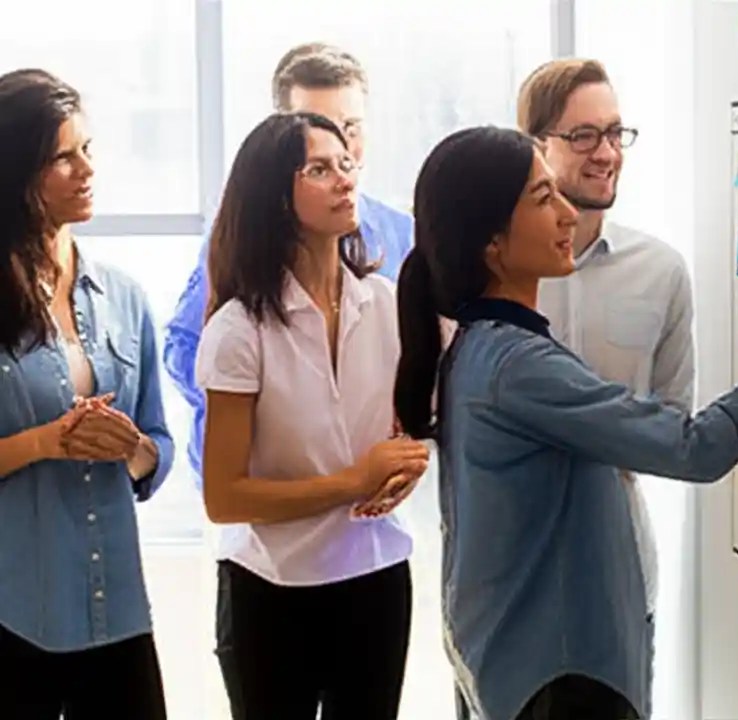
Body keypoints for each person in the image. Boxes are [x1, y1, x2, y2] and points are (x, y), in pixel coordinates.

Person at [393, 126, 738, 720]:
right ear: (493, 243)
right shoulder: (518, 367)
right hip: (558, 681)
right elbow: (700, 447)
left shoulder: (483, 347)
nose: (569, 214)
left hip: (526, 666)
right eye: (543, 199)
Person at [194, 111, 428, 719]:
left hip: (377, 579)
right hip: (270, 593)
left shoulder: (385, 304)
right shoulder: (238, 330)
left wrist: (411, 461)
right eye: (319, 169)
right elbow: (225, 498)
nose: (344, 180)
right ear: (276, 194)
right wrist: (353, 482)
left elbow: (423, 425)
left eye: (345, 163)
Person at [0, 68, 174, 718]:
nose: (86, 169)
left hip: (117, 612)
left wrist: (132, 449)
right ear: (17, 174)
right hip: (13, 617)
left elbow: (157, 445)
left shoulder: (124, 295)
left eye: (89, 150)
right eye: (62, 157)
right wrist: (48, 442)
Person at [164, 42, 413, 485]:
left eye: (351, 127)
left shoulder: (404, 237)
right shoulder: (238, 238)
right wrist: (269, 416)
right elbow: (187, 349)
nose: (341, 144)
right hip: (263, 495)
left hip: (371, 491)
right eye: (319, 125)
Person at [516, 57, 692, 623]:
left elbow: (672, 425)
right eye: (584, 135)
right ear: (536, 145)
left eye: (615, 133)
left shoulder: (660, 271)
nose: (607, 152)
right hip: (507, 574)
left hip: (617, 570)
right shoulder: (488, 270)